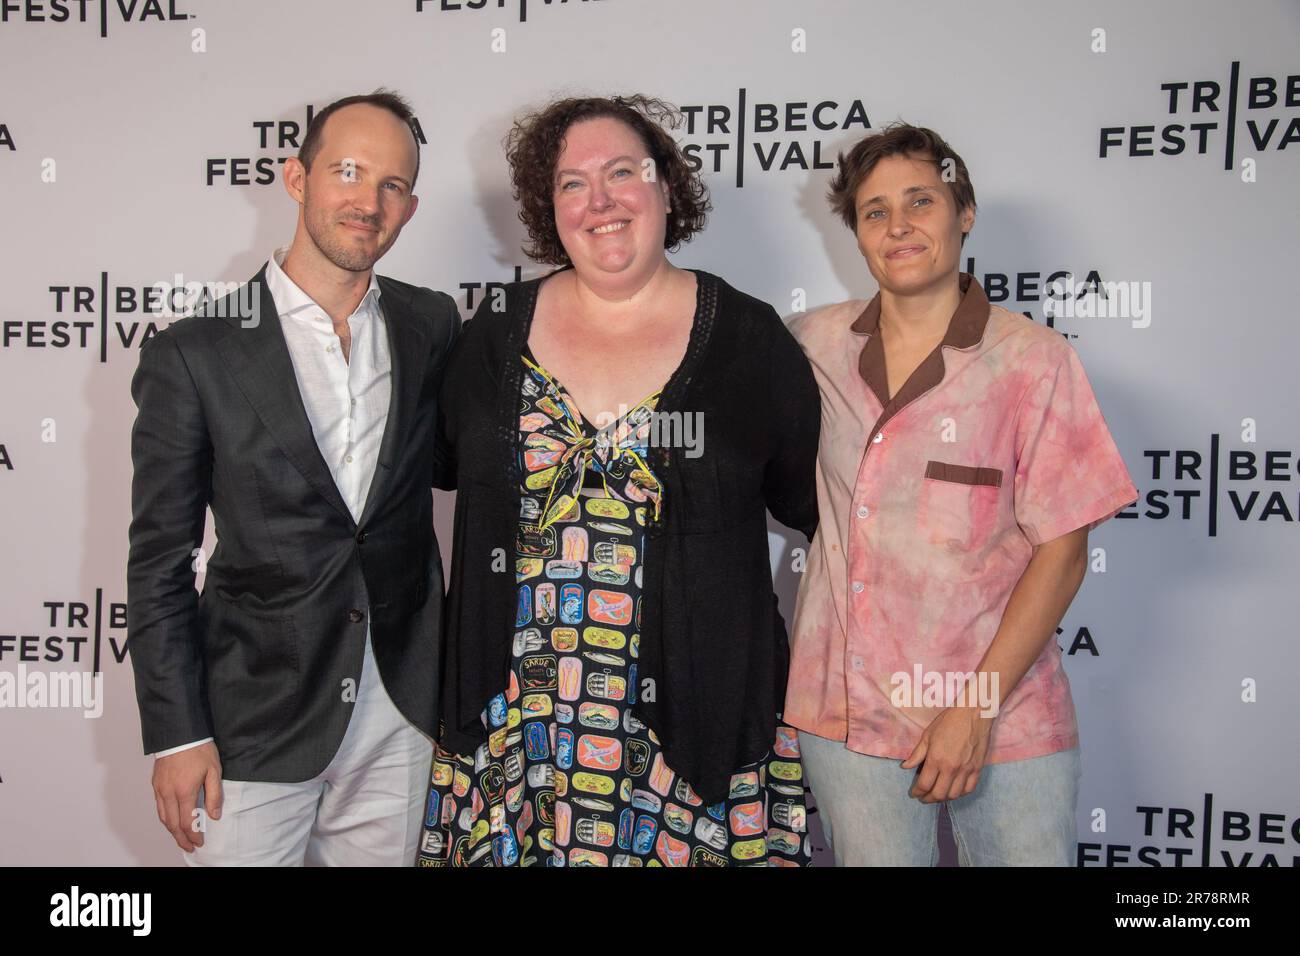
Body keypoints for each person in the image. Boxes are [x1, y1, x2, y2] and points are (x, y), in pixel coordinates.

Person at [418, 94, 820, 867]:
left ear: (667, 186)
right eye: (572, 183)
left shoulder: (748, 340)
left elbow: (823, 513)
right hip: (518, 738)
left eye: (622, 172)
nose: (599, 200)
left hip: (695, 742)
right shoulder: (492, 336)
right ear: (549, 208)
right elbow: (425, 478)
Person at [785, 123, 1138, 866]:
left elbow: (1065, 552)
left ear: (964, 212)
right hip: (849, 718)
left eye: (922, 200)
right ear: (856, 232)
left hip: (1003, 719)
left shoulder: (1033, 361)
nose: (900, 225)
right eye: (876, 211)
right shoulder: (809, 345)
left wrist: (974, 709)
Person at [127, 90, 459, 866]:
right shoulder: (194, 354)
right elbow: (159, 560)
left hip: (400, 706)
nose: (368, 200)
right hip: (253, 715)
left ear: (410, 207)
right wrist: (178, 730)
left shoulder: (431, 325)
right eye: (348, 171)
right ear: (296, 178)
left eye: (392, 184)